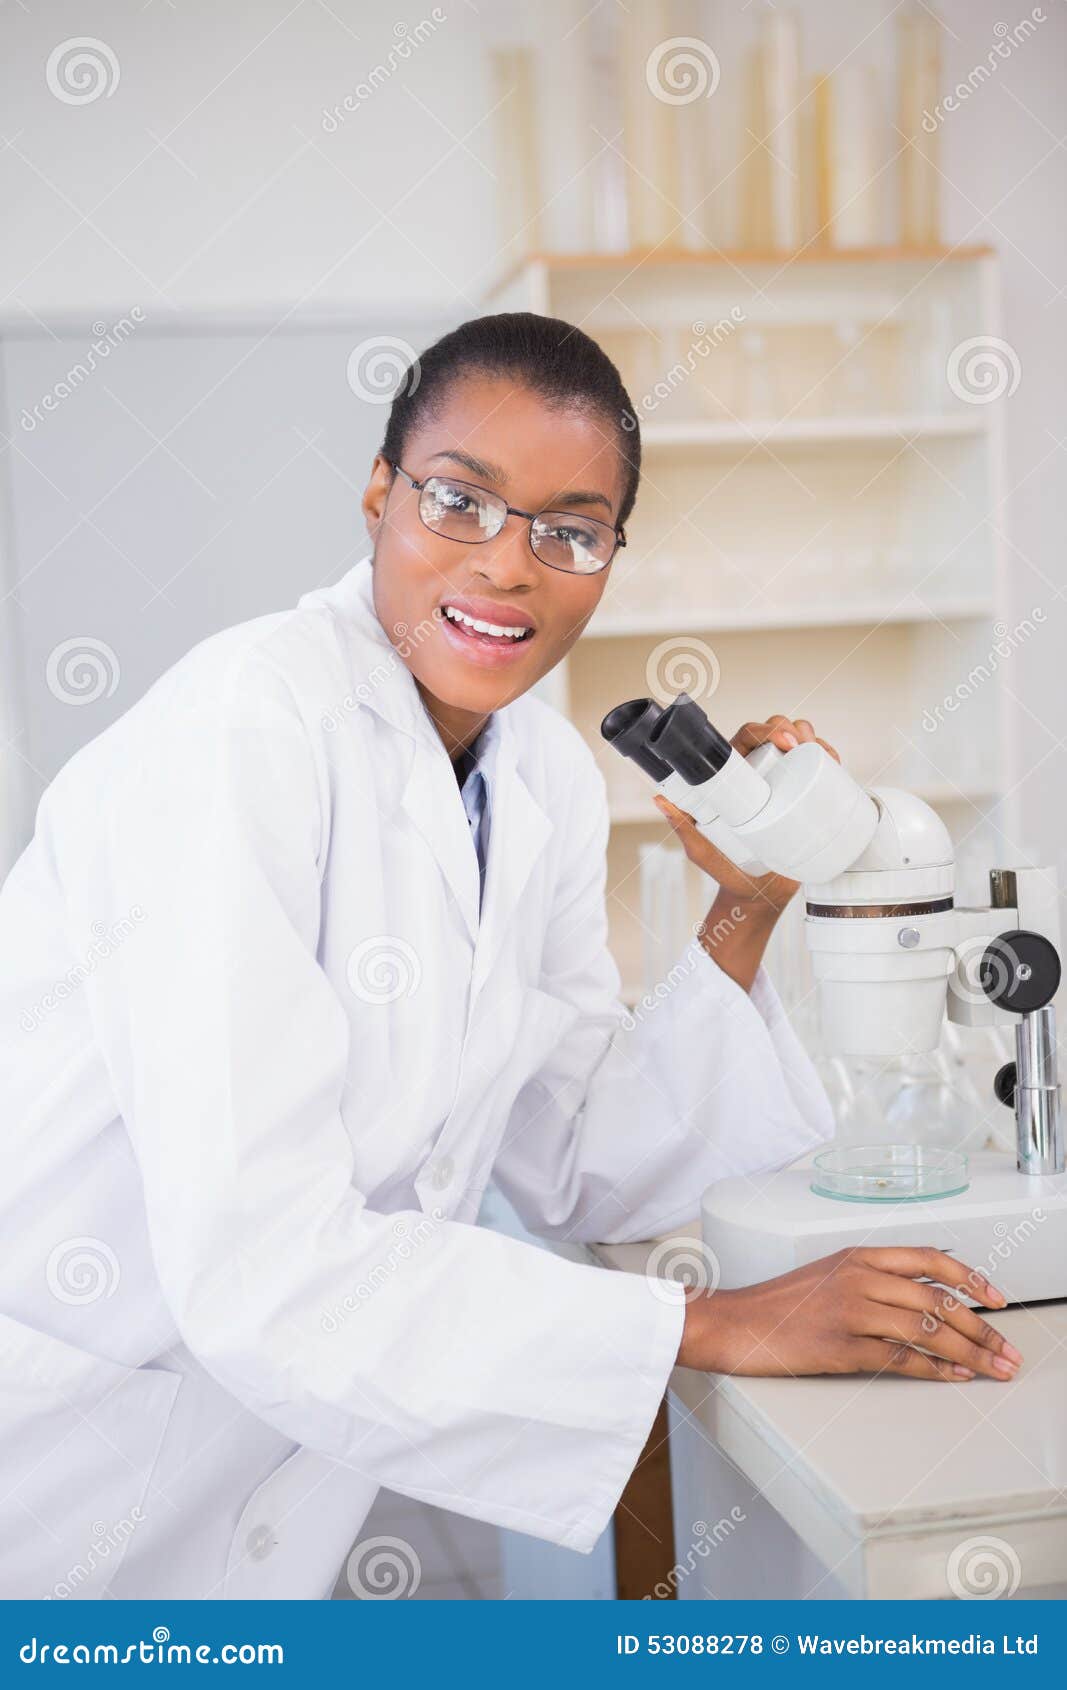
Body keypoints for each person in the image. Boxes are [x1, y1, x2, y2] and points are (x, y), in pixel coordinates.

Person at [0, 312, 1019, 1602]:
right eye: (460, 501)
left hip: (254, 1489)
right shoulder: (241, 731)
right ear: (380, 495)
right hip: (56, 1486)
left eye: (571, 529)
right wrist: (708, 1327)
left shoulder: (536, 770)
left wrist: (746, 909)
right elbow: (261, 1260)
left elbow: (582, 1156)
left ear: (610, 556)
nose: (511, 567)